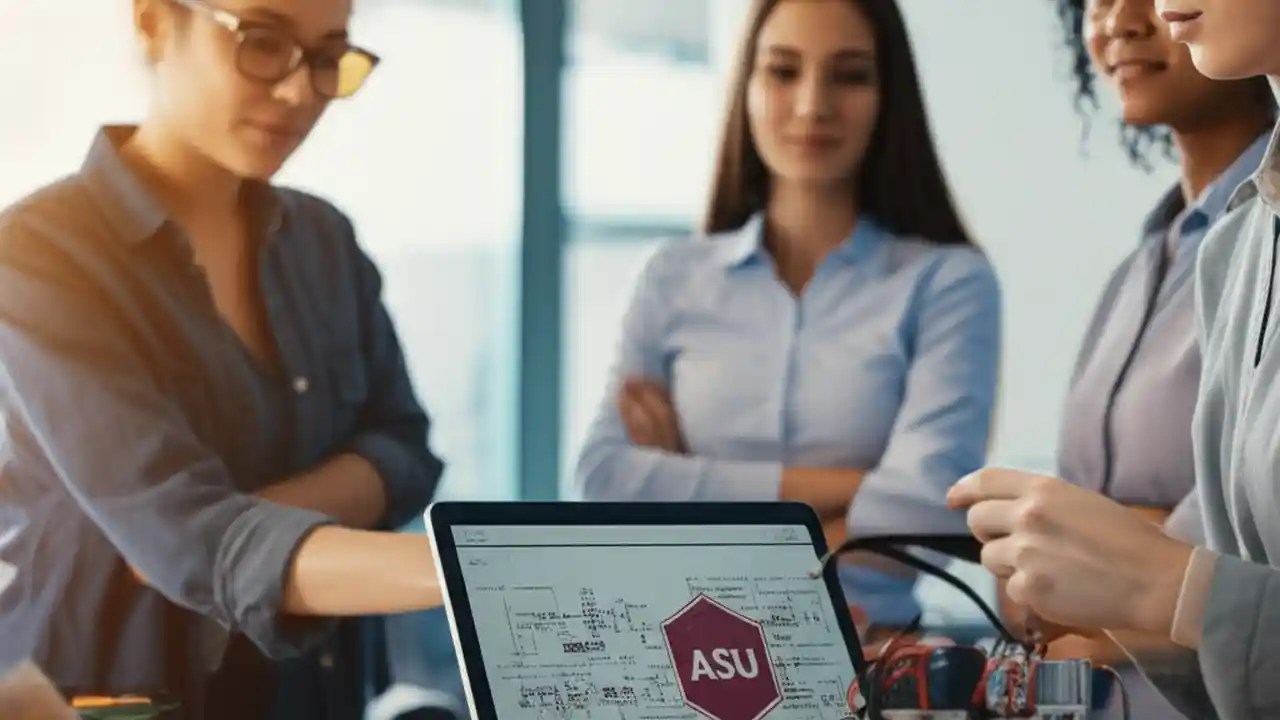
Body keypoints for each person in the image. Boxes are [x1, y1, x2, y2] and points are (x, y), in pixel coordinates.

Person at [0, 0, 450, 717]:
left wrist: (235, 523)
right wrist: (474, 573)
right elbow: (180, 536)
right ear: (152, 21)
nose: (301, 91)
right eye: (262, 42)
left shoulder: (325, 241)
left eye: (329, 56)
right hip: (108, 697)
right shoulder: (38, 257)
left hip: (316, 696)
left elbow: (406, 453)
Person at [575, 0, 1000, 636]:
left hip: (869, 656)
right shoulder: (671, 275)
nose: (812, 105)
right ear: (745, 86)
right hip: (678, 652)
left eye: (850, 75)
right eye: (782, 71)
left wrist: (691, 497)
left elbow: (922, 510)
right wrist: (854, 488)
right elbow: (606, 479)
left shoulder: (947, 281)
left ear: (888, 95)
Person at [950, 2, 1280, 716]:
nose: (1132, 15)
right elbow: (1056, 560)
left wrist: (1152, 578)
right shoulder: (1182, 256)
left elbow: (1198, 556)